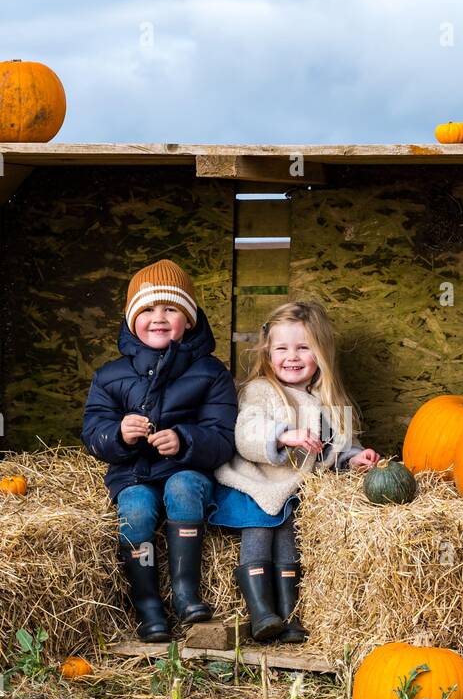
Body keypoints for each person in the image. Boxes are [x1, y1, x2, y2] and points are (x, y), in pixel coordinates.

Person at [82, 260, 237, 642]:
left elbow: (222, 435)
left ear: (190, 320)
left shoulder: (212, 373)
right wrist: (119, 434)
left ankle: (186, 594)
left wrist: (184, 440)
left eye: (171, 309)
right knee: (135, 510)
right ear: (132, 320)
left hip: (185, 469)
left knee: (184, 488)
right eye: (148, 310)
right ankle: (148, 604)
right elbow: (92, 431)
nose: (159, 318)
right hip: (133, 473)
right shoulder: (110, 376)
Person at [211, 300, 378, 643]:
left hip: (291, 491)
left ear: (321, 354)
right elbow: (246, 432)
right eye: (282, 348)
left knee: (288, 538)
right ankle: (261, 613)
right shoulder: (260, 391)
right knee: (259, 531)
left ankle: (289, 615)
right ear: (268, 353)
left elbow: (340, 445)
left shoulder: (331, 401)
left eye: (303, 348)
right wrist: (283, 436)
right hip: (256, 483)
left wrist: (355, 458)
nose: (292, 357)